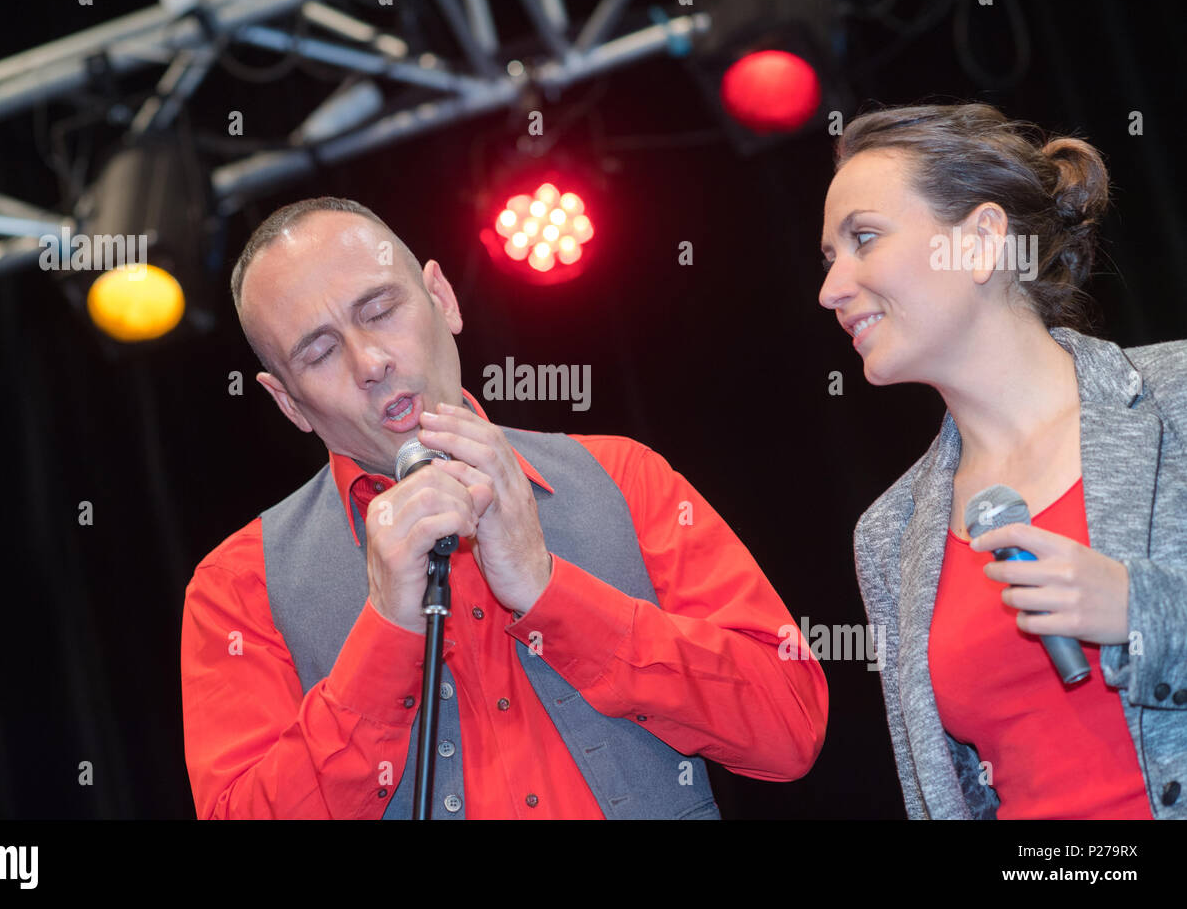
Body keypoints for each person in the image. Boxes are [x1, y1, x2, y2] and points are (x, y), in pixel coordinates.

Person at [180, 196, 828, 819]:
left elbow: (790, 725)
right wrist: (383, 637)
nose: (370, 361)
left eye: (380, 310)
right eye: (318, 352)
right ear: (288, 403)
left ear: (442, 298)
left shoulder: (622, 475)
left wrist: (554, 594)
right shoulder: (238, 587)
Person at [818, 102, 1187, 819]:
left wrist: (1143, 609)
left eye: (865, 238)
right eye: (831, 259)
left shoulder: (1178, 397)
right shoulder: (890, 533)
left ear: (982, 241)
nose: (831, 290)